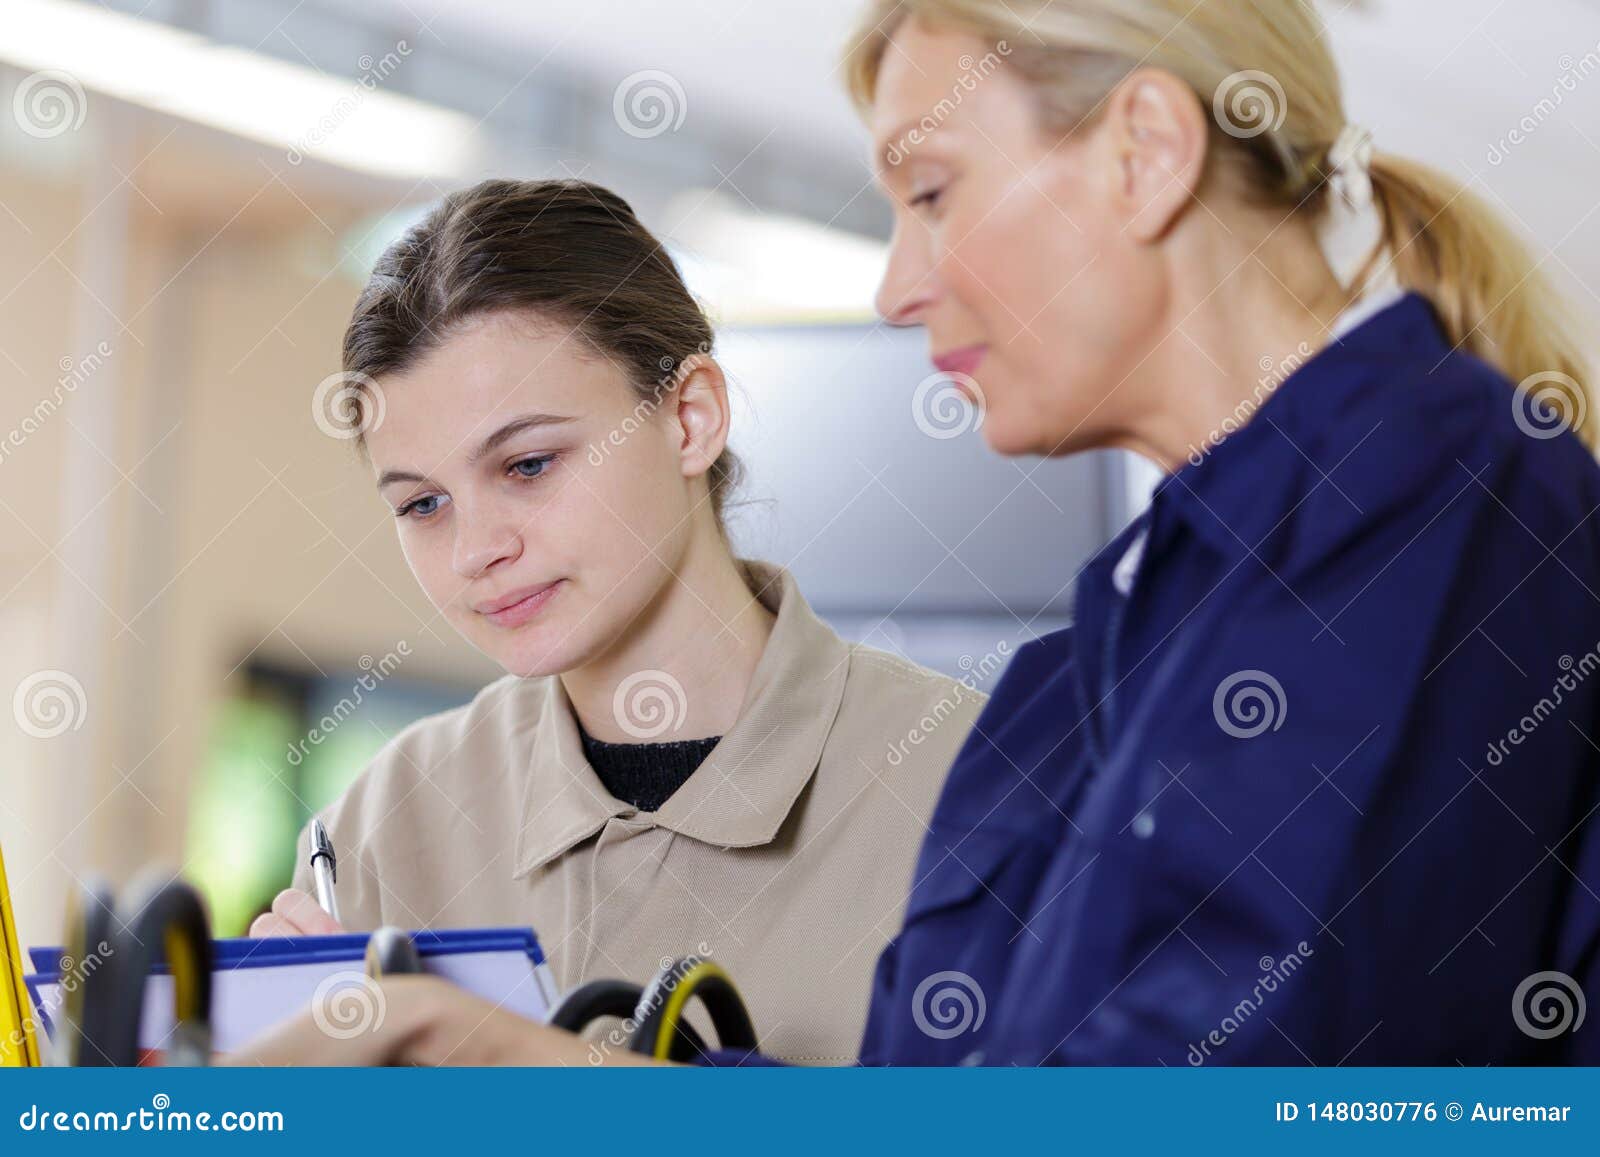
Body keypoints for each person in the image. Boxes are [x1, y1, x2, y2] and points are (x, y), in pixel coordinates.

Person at [235, 0, 1600, 1066]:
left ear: (1146, 153)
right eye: (419, 500)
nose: (896, 283)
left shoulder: (1432, 502)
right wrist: (470, 1048)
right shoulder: (1086, 682)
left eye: (933, 192)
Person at [245, 178, 985, 1064]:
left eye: (527, 464)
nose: (477, 548)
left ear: (688, 417)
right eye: (423, 504)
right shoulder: (388, 823)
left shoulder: (976, 787)